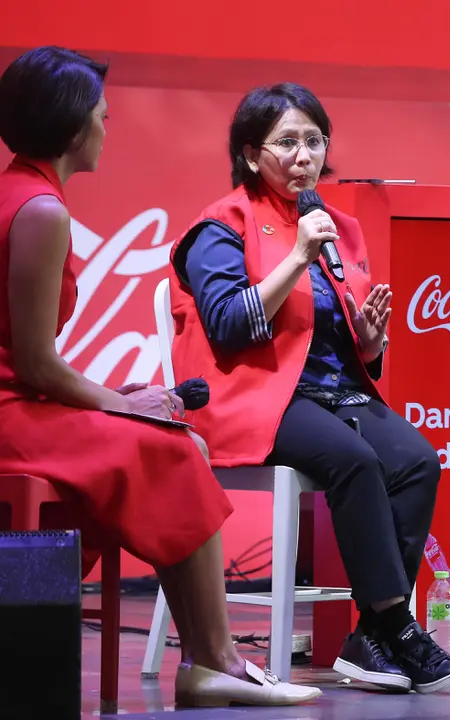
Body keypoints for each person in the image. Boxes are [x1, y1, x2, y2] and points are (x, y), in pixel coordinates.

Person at [0, 47, 320, 707]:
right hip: (13, 409)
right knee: (174, 444)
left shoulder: (24, 194)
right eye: (101, 117)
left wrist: (120, 404)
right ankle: (216, 660)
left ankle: (212, 659)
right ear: (70, 129)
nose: (107, 129)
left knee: (177, 442)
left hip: (22, 401)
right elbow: (33, 365)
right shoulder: (39, 211)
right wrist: (121, 402)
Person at [167, 82, 450, 694]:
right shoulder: (222, 224)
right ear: (252, 154)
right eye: (287, 142)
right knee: (356, 462)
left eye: (314, 141)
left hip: (331, 393)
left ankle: (370, 638)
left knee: (416, 462)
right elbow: (227, 326)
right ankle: (398, 628)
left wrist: (370, 341)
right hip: (254, 395)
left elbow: (338, 340)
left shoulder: (340, 228)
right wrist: (298, 257)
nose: (304, 155)